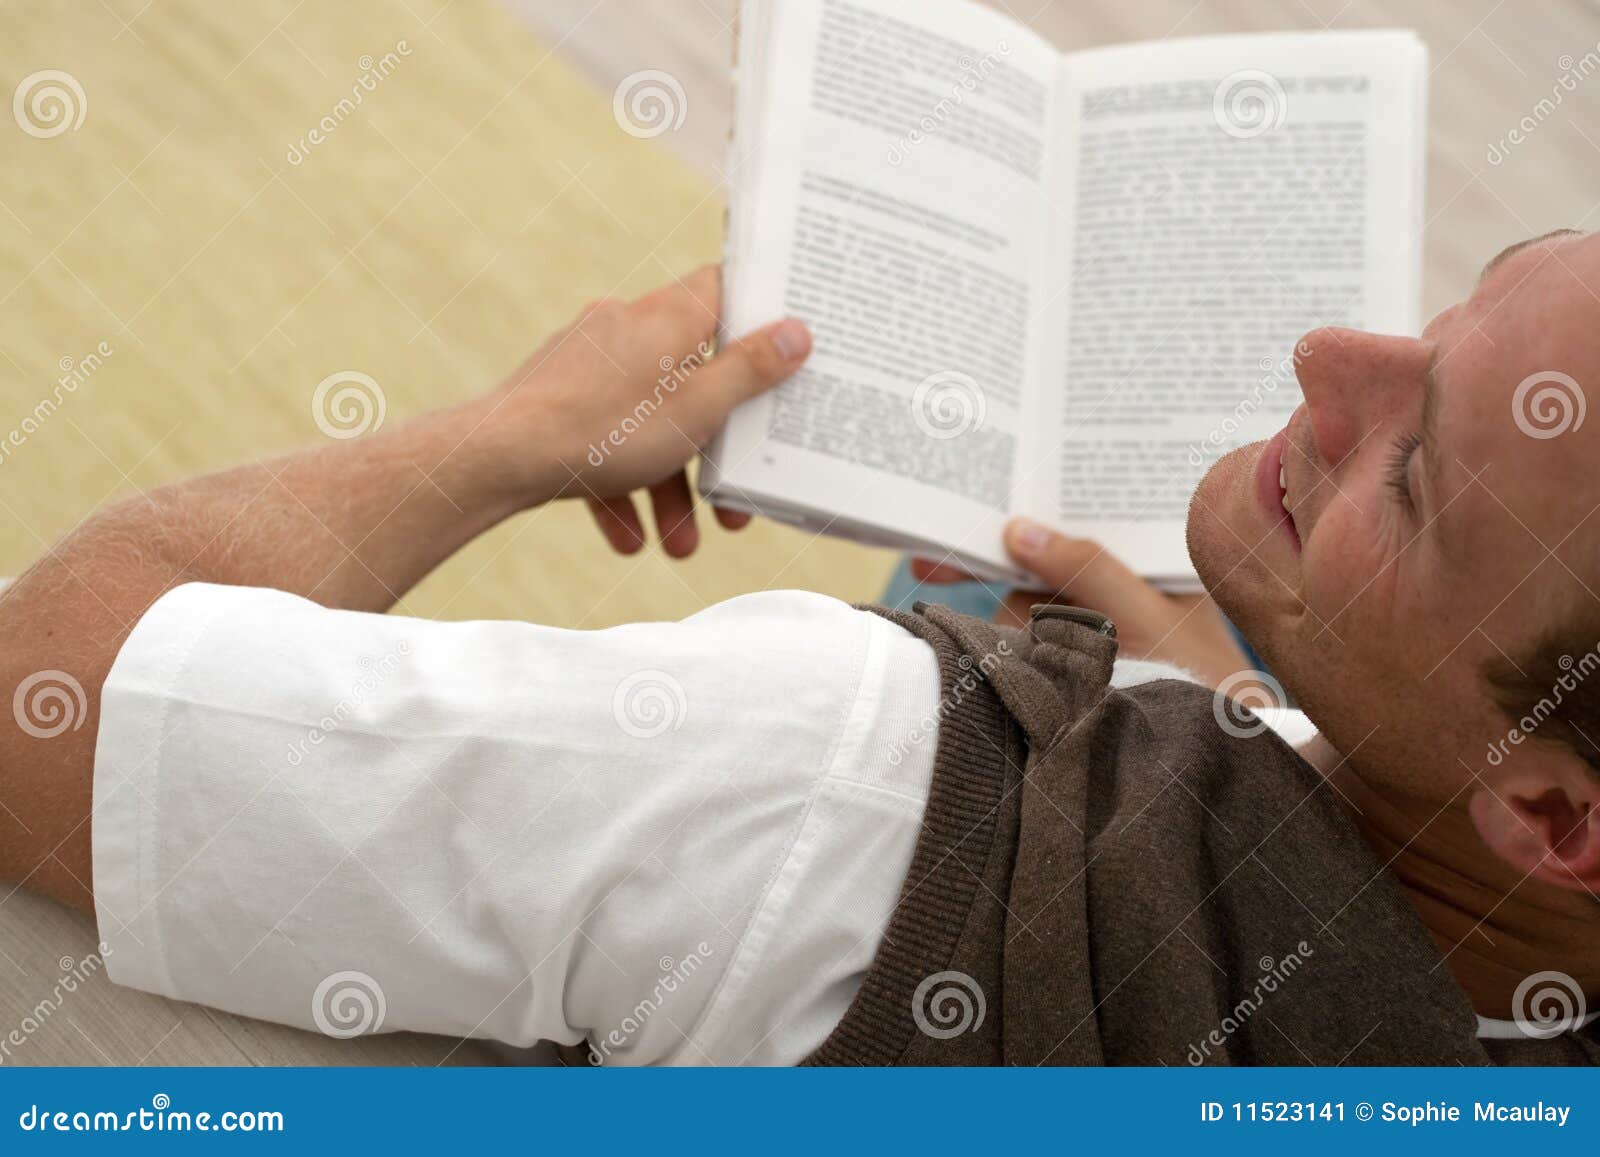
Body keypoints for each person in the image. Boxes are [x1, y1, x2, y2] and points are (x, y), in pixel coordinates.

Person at [1, 231, 1597, 1065]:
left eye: (1410, 469)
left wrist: (506, 439)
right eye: (1455, 303)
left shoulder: (846, 779)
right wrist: (1235, 707)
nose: (1325, 353)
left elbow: (43, 694)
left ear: (1554, 821)